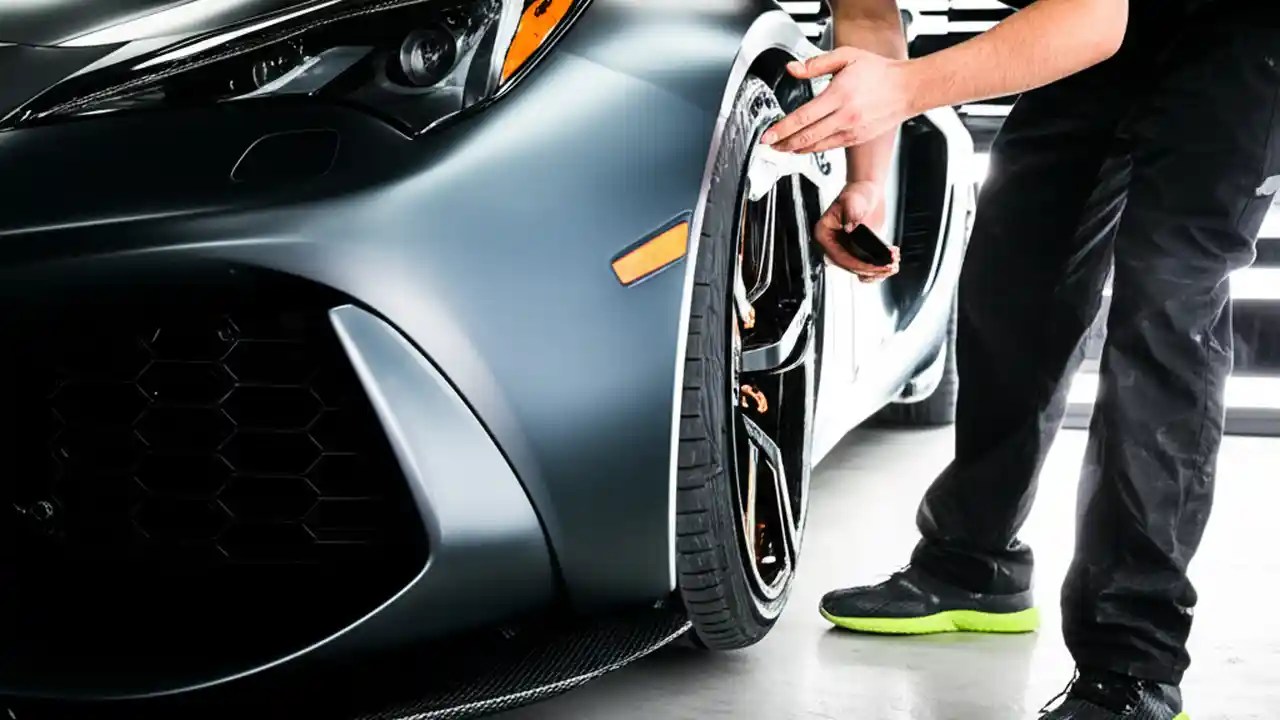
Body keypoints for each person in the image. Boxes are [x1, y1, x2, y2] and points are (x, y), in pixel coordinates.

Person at [762, 0, 1280, 717]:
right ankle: (975, 562)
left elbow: (1098, 17)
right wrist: (869, 181)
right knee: (1014, 275)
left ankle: (1134, 664)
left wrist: (908, 90)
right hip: (1090, 23)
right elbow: (870, 17)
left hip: (1240, 34)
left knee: (1168, 295)